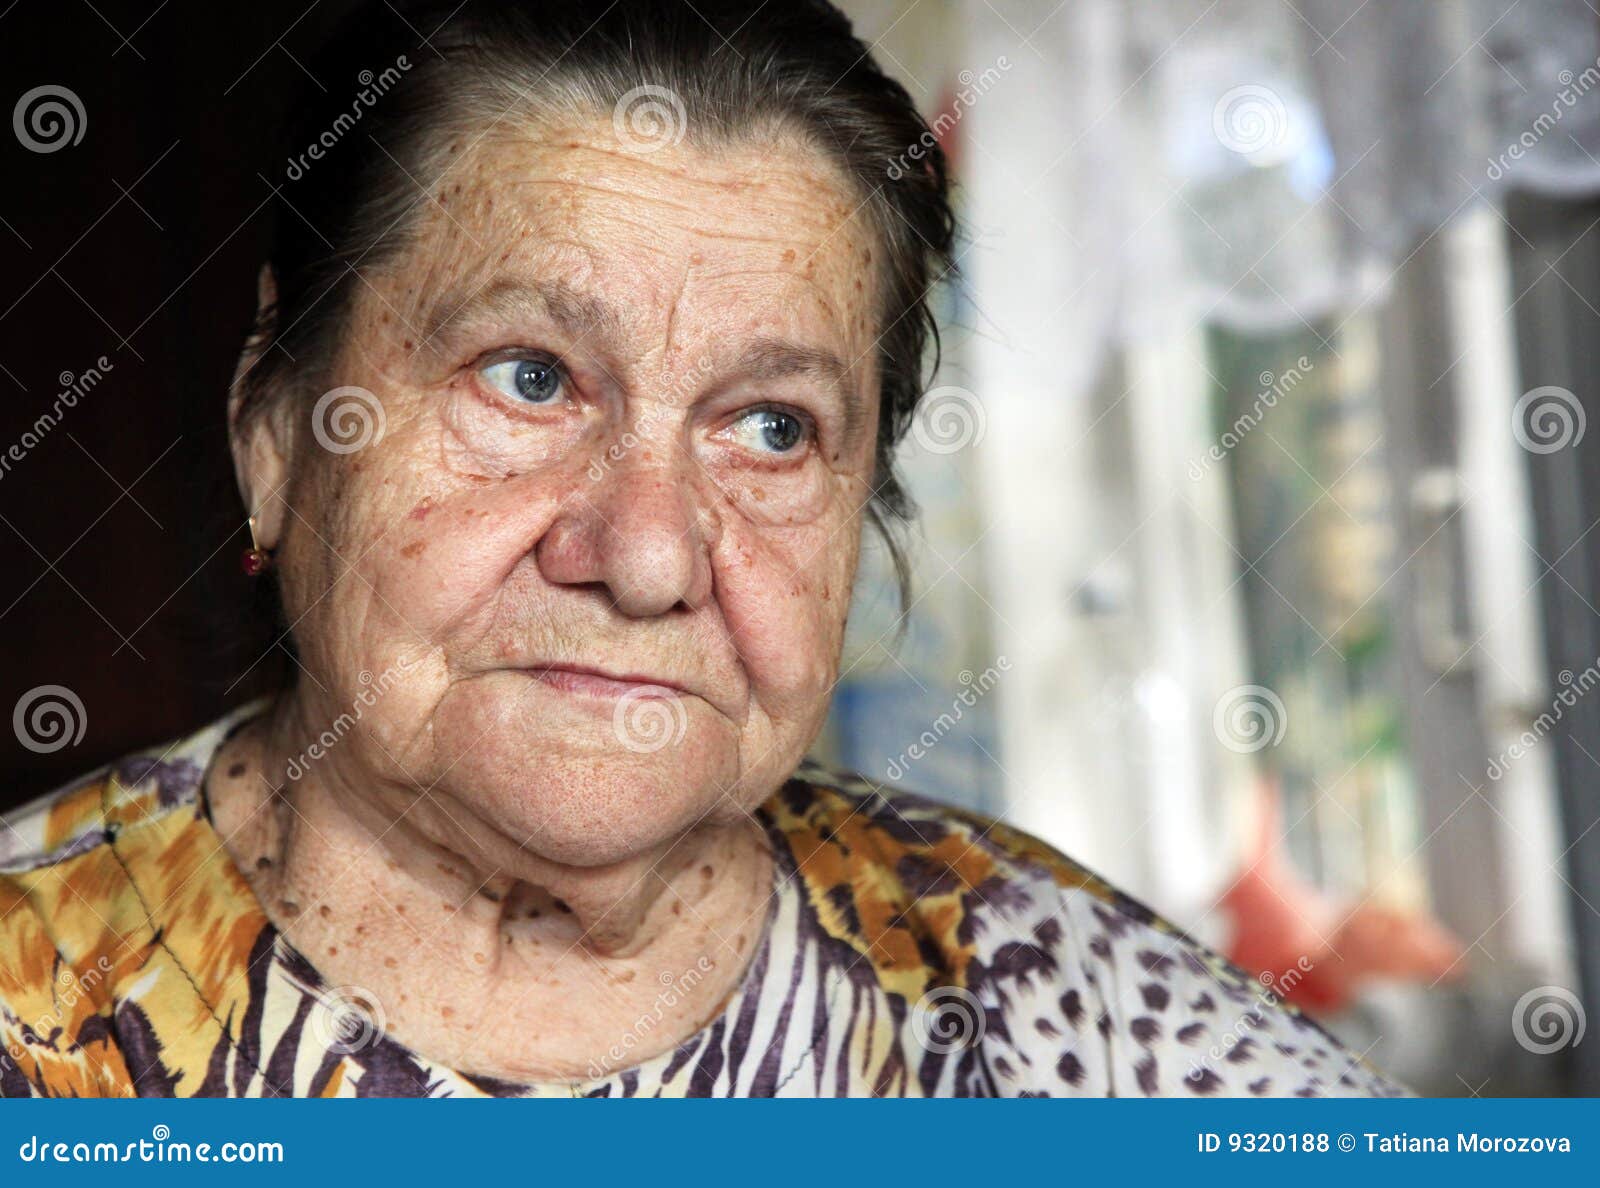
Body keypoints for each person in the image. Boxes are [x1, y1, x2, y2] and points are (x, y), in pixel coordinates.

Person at [0, 0, 1403, 1098]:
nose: (651, 557)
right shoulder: (41, 1006)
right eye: (530, 378)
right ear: (276, 424)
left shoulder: (1059, 1001)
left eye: (775, 428)